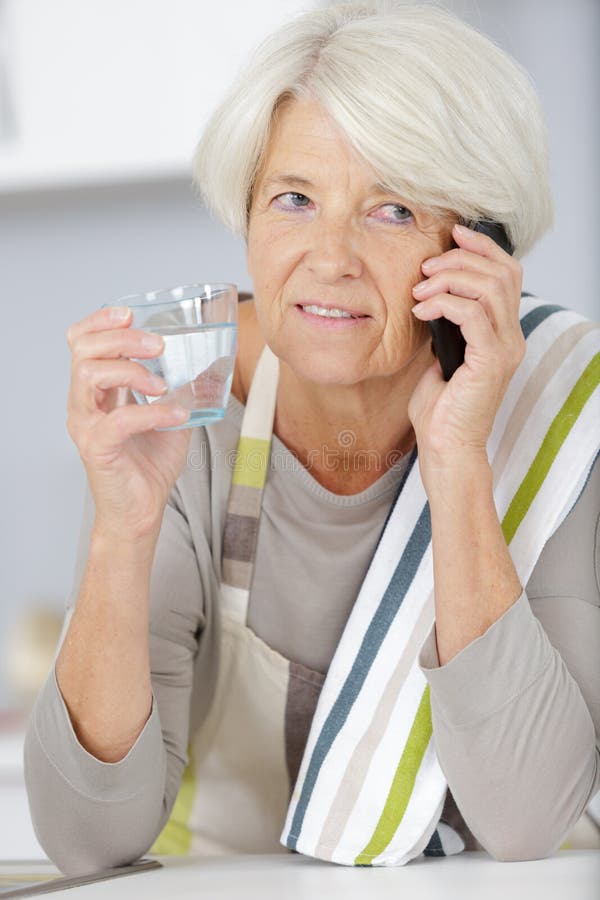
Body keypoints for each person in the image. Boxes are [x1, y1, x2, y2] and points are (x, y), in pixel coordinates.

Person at [24, 1, 599, 876]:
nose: (328, 259)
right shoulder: (185, 399)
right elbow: (87, 840)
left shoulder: (559, 412)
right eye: (293, 199)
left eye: (393, 211)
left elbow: (524, 820)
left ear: (480, 251)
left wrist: (456, 461)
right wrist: (121, 530)